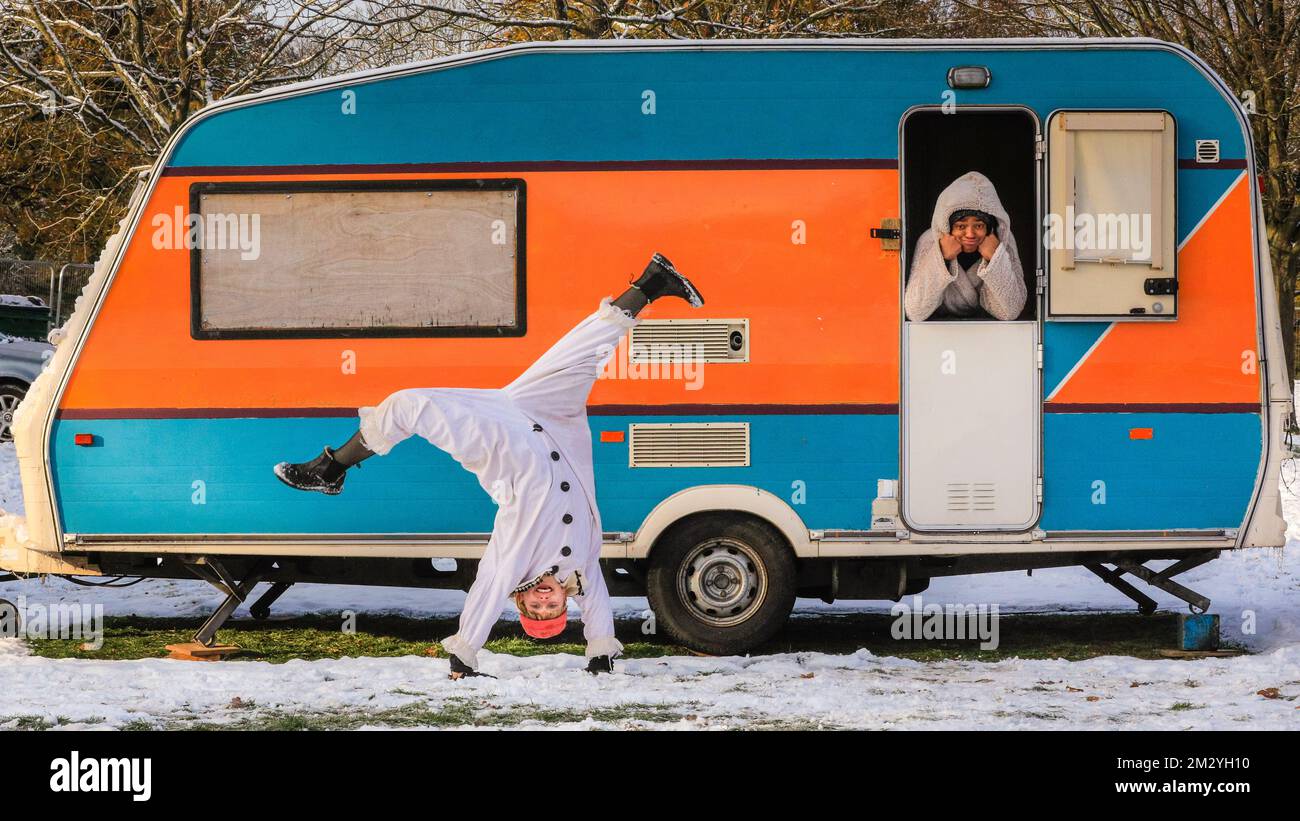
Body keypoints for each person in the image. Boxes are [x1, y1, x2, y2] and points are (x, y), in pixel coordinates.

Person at [272, 253, 704, 679]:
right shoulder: (583, 572)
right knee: (580, 352)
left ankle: (328, 469)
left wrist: (464, 654)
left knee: (410, 404)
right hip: (551, 420)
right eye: (551, 609)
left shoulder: (513, 565)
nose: (544, 601)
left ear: (521, 602)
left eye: (535, 608)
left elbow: (485, 591)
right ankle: (653, 282)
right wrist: (599, 654)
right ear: (563, 602)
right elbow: (598, 609)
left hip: (507, 452)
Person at [904, 170, 1026, 322]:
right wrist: (941, 257)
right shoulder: (930, 240)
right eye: (961, 226)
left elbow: (1010, 311)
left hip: (990, 330)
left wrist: (995, 259)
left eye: (979, 225)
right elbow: (915, 311)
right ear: (947, 227)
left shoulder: (1002, 240)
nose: (970, 234)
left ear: (990, 228)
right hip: (939, 332)